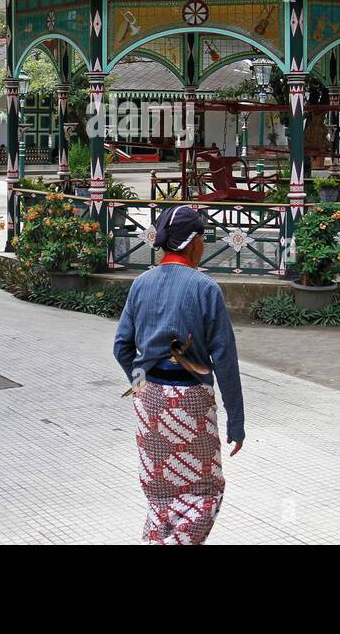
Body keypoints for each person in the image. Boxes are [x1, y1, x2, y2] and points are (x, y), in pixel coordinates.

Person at [113, 204, 244, 545]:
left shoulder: (141, 284)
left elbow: (121, 347)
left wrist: (139, 382)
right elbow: (225, 359)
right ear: (194, 242)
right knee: (204, 493)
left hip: (150, 400)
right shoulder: (205, 288)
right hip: (191, 403)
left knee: (161, 499)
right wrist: (236, 422)